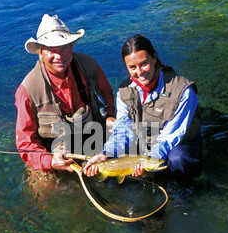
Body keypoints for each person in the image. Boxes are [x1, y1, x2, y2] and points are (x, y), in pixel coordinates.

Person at [83, 34, 202, 179]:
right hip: (146, 149)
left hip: (177, 146)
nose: (139, 72)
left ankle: (184, 192)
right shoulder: (123, 91)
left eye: (144, 64)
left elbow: (169, 138)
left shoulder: (183, 90)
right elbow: (122, 131)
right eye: (132, 67)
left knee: (178, 158)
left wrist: (148, 162)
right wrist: (106, 154)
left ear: (154, 57)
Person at [15, 14, 115, 174]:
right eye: (51, 50)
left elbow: (106, 92)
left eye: (64, 47)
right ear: (40, 53)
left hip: (91, 137)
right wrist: (50, 161)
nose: (59, 56)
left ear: (72, 47)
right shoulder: (27, 91)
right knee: (49, 191)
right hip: (51, 153)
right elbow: (25, 143)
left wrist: (110, 115)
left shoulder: (88, 65)